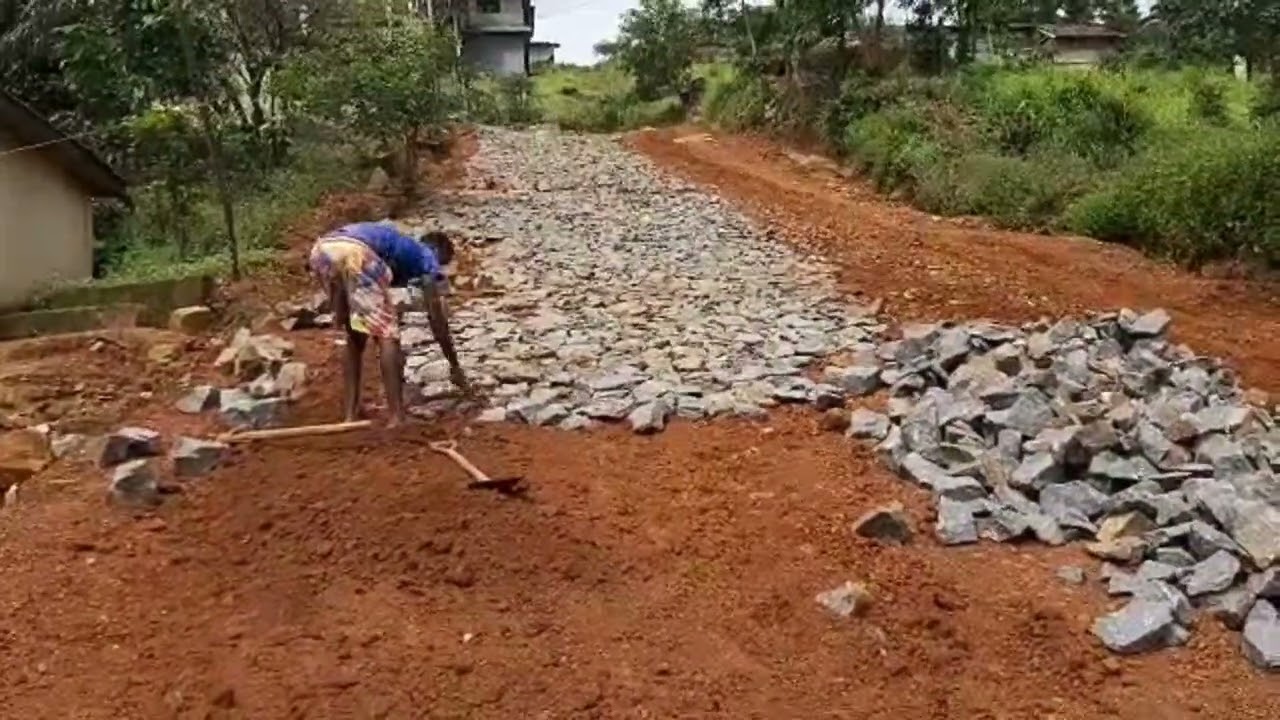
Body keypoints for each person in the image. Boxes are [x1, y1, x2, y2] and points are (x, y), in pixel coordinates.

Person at [308, 221, 468, 427]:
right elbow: (437, 319)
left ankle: (351, 413)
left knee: (354, 333)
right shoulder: (427, 255)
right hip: (356, 253)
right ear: (441, 253)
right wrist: (454, 365)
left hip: (322, 251)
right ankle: (396, 417)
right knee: (388, 334)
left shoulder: (400, 246)